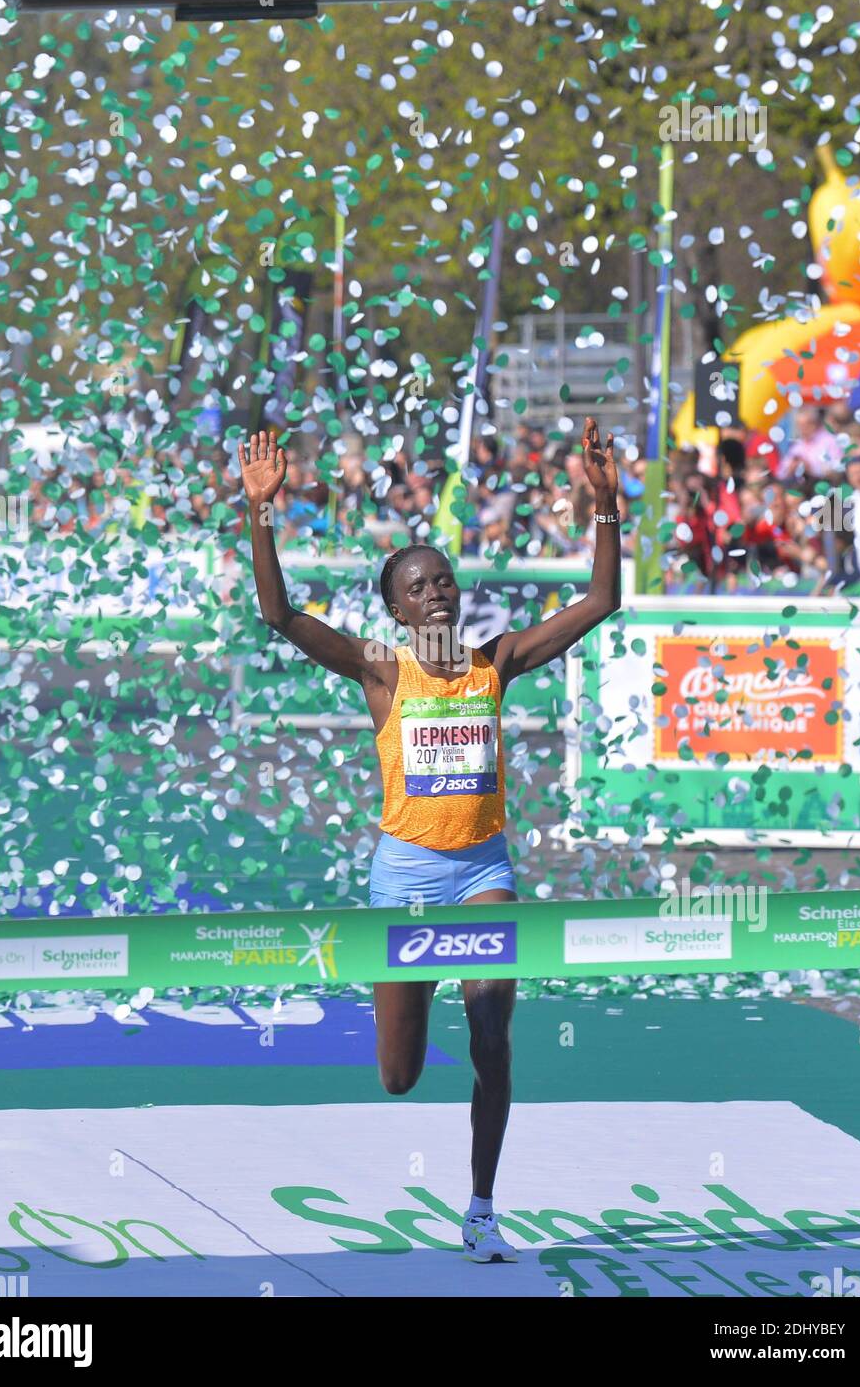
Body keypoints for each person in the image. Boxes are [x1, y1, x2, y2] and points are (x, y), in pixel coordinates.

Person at [240, 416, 621, 1264]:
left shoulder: (499, 661)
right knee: (399, 1075)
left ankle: (482, 1209)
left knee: (492, 1039)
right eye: (419, 587)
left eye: (445, 581)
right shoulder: (382, 671)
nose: (439, 593)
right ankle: (410, 1055)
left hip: (483, 870)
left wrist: (607, 508)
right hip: (405, 879)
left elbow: (601, 603)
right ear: (395, 609)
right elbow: (278, 613)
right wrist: (260, 514)